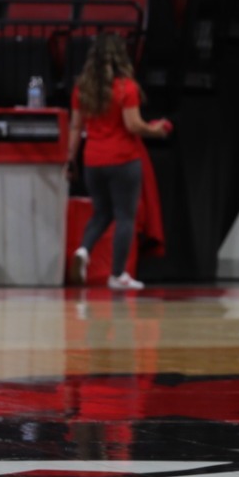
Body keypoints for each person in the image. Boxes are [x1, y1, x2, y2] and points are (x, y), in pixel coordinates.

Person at [68, 34, 168, 292]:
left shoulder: (82, 88)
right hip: (123, 159)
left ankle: (83, 249)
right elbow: (132, 124)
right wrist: (156, 130)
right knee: (125, 216)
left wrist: (70, 159)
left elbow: (75, 126)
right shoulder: (126, 87)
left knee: (102, 213)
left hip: (93, 159)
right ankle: (118, 274)